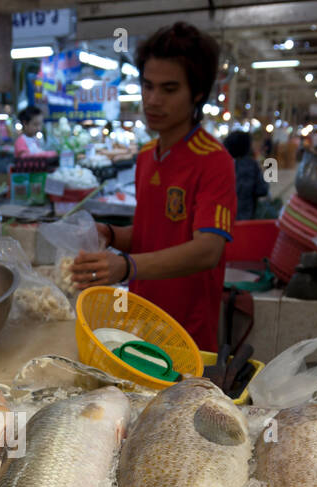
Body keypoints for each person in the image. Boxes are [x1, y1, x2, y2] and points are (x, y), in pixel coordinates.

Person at [70, 22, 235, 351]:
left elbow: (207, 250)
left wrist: (127, 265)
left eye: (169, 89)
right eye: (148, 86)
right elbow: (153, 233)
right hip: (141, 321)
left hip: (187, 334)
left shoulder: (214, 161)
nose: (153, 100)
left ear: (198, 93)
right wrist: (112, 235)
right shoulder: (147, 155)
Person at [225, 130, 268, 221]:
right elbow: (263, 189)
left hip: (221, 219)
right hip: (245, 218)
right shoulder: (251, 165)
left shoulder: (220, 163)